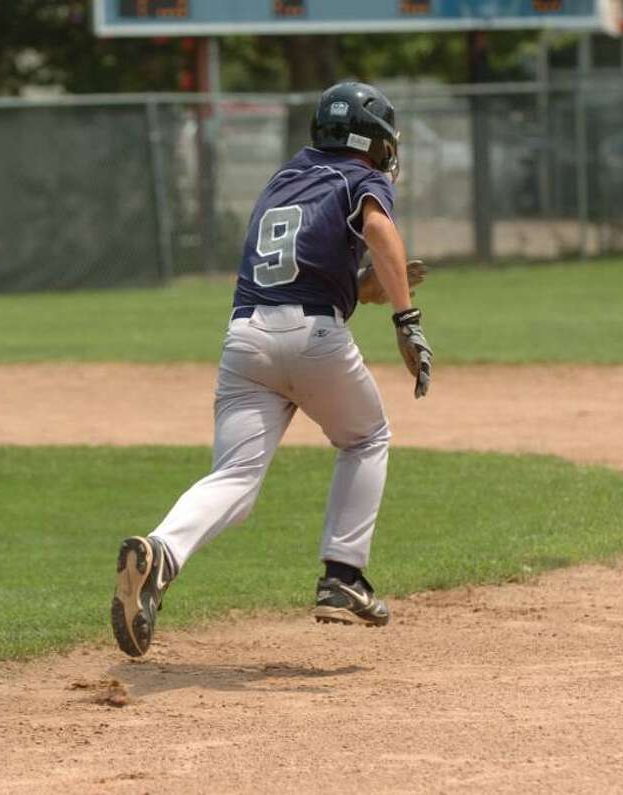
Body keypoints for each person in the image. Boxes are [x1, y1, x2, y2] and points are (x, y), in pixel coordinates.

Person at [109, 80, 433, 658]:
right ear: (373, 143)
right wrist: (406, 320)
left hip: (246, 339)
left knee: (234, 477)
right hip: (312, 337)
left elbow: (303, 266)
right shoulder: (360, 175)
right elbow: (379, 228)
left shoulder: (286, 179)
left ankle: (160, 552)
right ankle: (343, 577)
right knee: (366, 437)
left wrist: (365, 287)